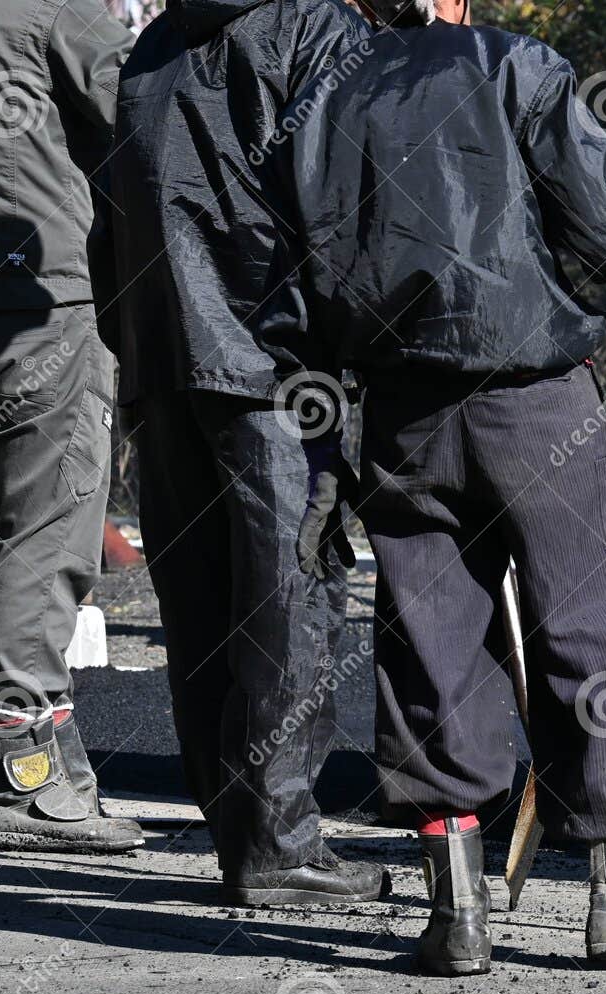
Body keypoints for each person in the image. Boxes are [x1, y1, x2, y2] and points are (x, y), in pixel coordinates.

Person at [257, 0, 606, 974]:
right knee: (587, 627)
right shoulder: (518, 66)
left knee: (428, 641)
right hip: (533, 398)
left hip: (398, 414)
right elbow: (598, 215)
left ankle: (456, 914)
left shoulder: (320, 99)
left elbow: (286, 271)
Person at [103, 0, 388, 904]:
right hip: (271, 364)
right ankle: (280, 843)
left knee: (201, 602)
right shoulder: (317, 29)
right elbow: (341, 202)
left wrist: (138, 346)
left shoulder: (154, 45)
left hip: (167, 354)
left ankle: (240, 828)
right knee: (289, 598)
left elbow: (117, 207)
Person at [0, 0, 142, 852]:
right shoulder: (47, 9)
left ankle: (56, 766)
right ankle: (29, 779)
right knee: (43, 540)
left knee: (4, 546)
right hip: (43, 312)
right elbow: (149, 112)